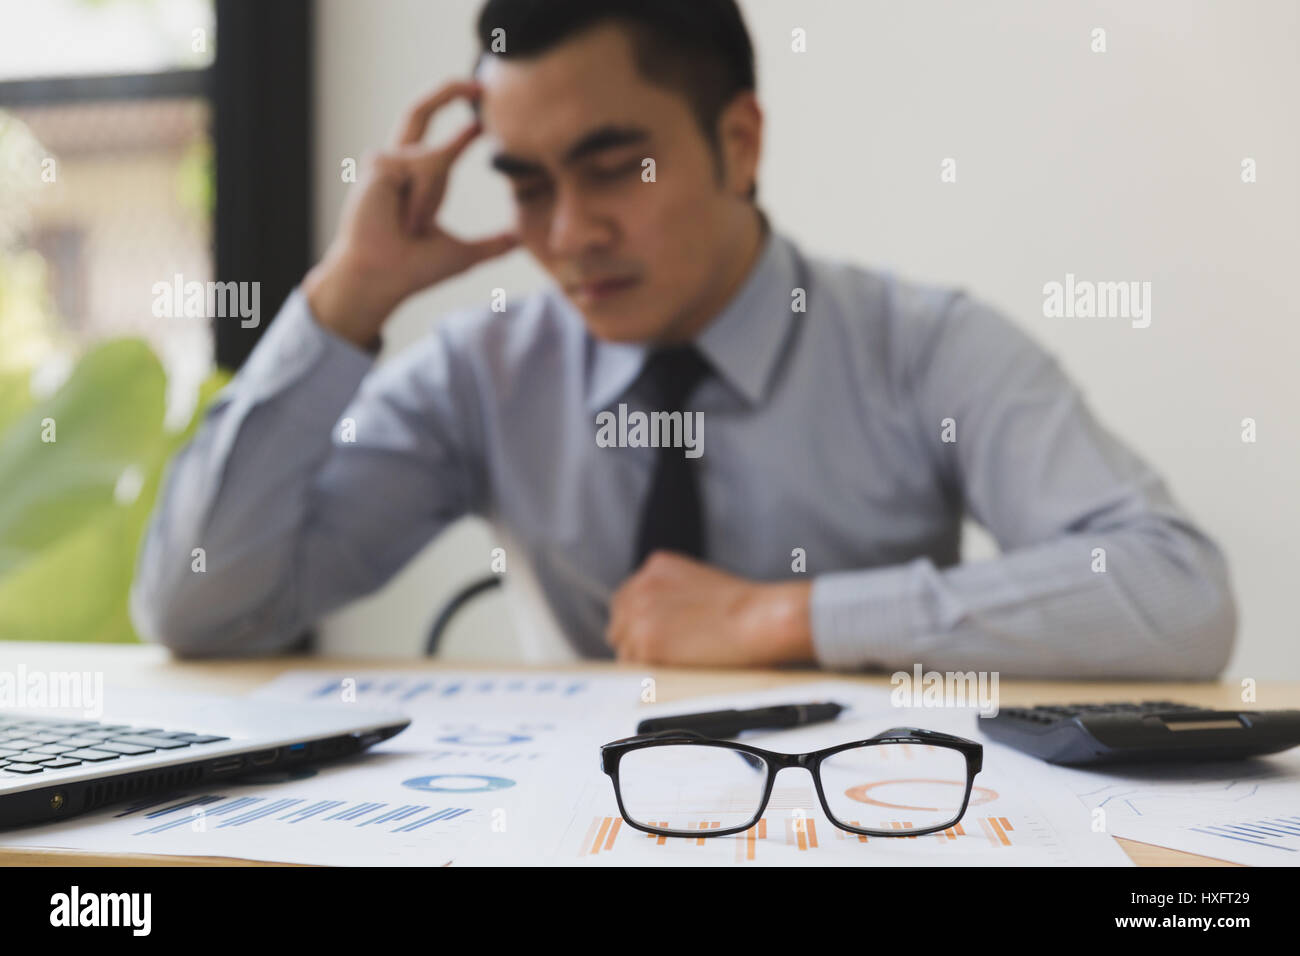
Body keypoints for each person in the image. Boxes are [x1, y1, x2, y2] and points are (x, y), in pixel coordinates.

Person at [130, 0, 1236, 677]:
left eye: (615, 167)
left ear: (739, 142)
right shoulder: (481, 373)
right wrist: (343, 301)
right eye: (525, 184)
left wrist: (780, 615)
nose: (567, 234)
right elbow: (198, 606)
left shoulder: (919, 346)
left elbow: (1175, 594)